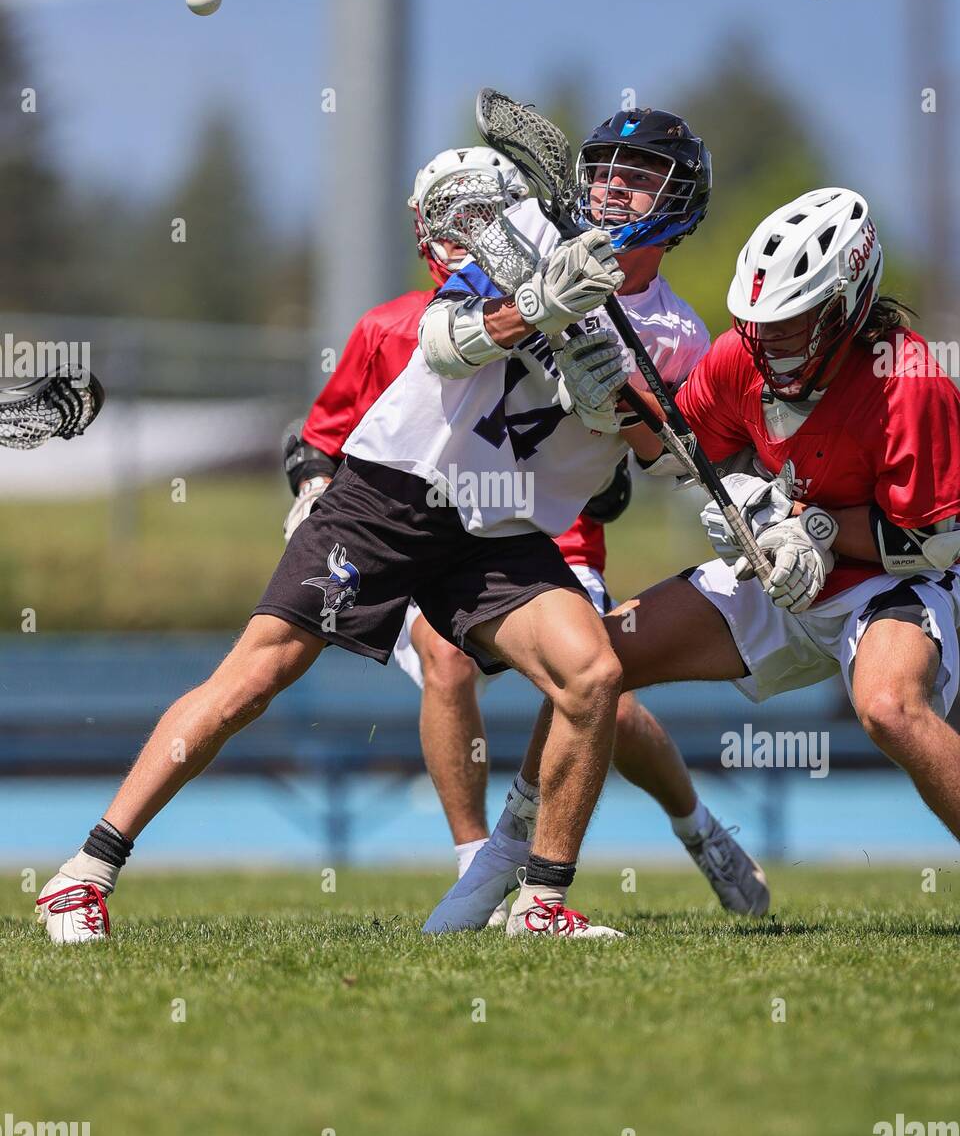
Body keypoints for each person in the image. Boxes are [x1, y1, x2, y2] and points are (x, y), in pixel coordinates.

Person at [35, 107, 727, 945]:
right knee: (258, 675)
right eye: (606, 167)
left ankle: (541, 906)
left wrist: (612, 393)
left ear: (680, 199)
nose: (615, 185)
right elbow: (439, 341)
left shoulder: (680, 333)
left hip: (497, 526)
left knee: (591, 676)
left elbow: (663, 451)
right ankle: (83, 876)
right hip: (397, 490)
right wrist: (538, 308)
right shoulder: (529, 234)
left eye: (640, 172)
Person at [285, 142, 766, 930]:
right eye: (455, 216)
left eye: (484, 212)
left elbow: (618, 477)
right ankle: (478, 861)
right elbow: (318, 441)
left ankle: (697, 826)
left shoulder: (645, 314)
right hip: (441, 530)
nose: (470, 230)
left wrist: (614, 408)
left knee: (608, 695)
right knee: (445, 660)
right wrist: (311, 494)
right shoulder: (391, 325)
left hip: (555, 535)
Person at [493, 188, 960, 900]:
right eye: (760, 324)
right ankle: (530, 880)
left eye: (792, 324)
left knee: (889, 706)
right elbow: (676, 450)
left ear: (846, 307)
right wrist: (609, 396)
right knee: (592, 660)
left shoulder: (909, 379)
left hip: (888, 583)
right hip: (780, 573)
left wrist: (813, 531)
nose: (768, 343)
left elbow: (934, 543)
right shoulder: (742, 358)